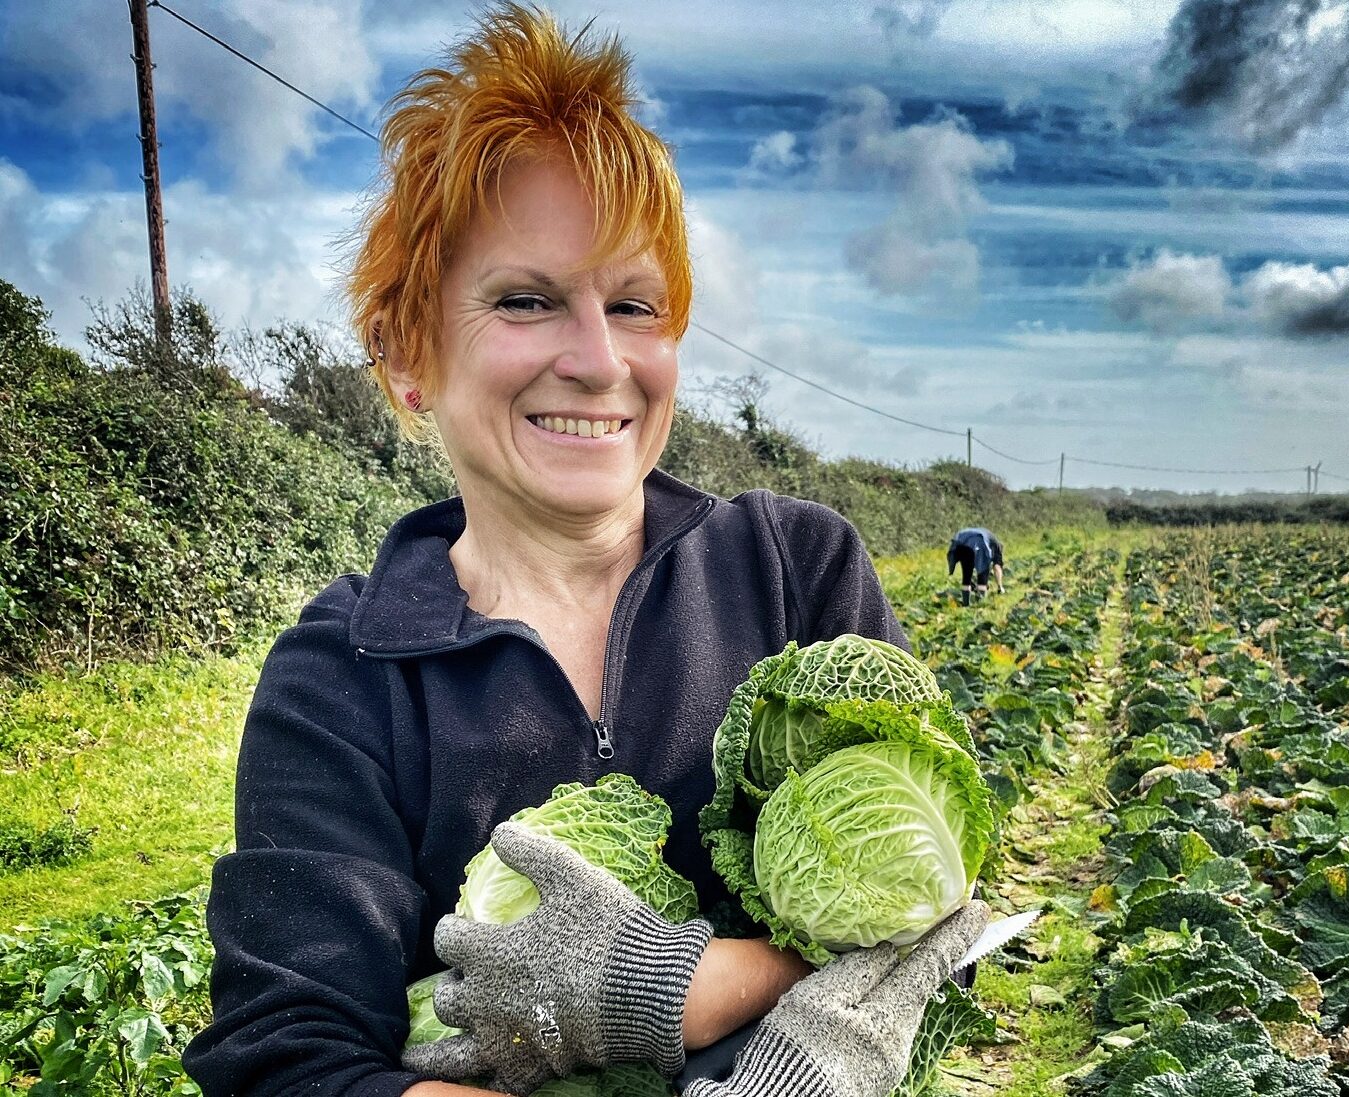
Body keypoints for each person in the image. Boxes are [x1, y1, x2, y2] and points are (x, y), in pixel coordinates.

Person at [180, 7, 986, 1097]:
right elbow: (287, 1062)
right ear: (408, 352)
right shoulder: (341, 679)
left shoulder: (798, 569)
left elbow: (939, 915)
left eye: (634, 304)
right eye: (528, 299)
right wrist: (714, 998)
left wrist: (682, 987)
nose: (599, 359)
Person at [947, 528, 1005, 606]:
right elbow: (997, 567)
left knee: (966, 575)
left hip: (961, 544)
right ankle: (980, 604)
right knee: (982, 574)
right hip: (979, 542)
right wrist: (1000, 587)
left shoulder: (989, 536)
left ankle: (966, 604)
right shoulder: (996, 547)